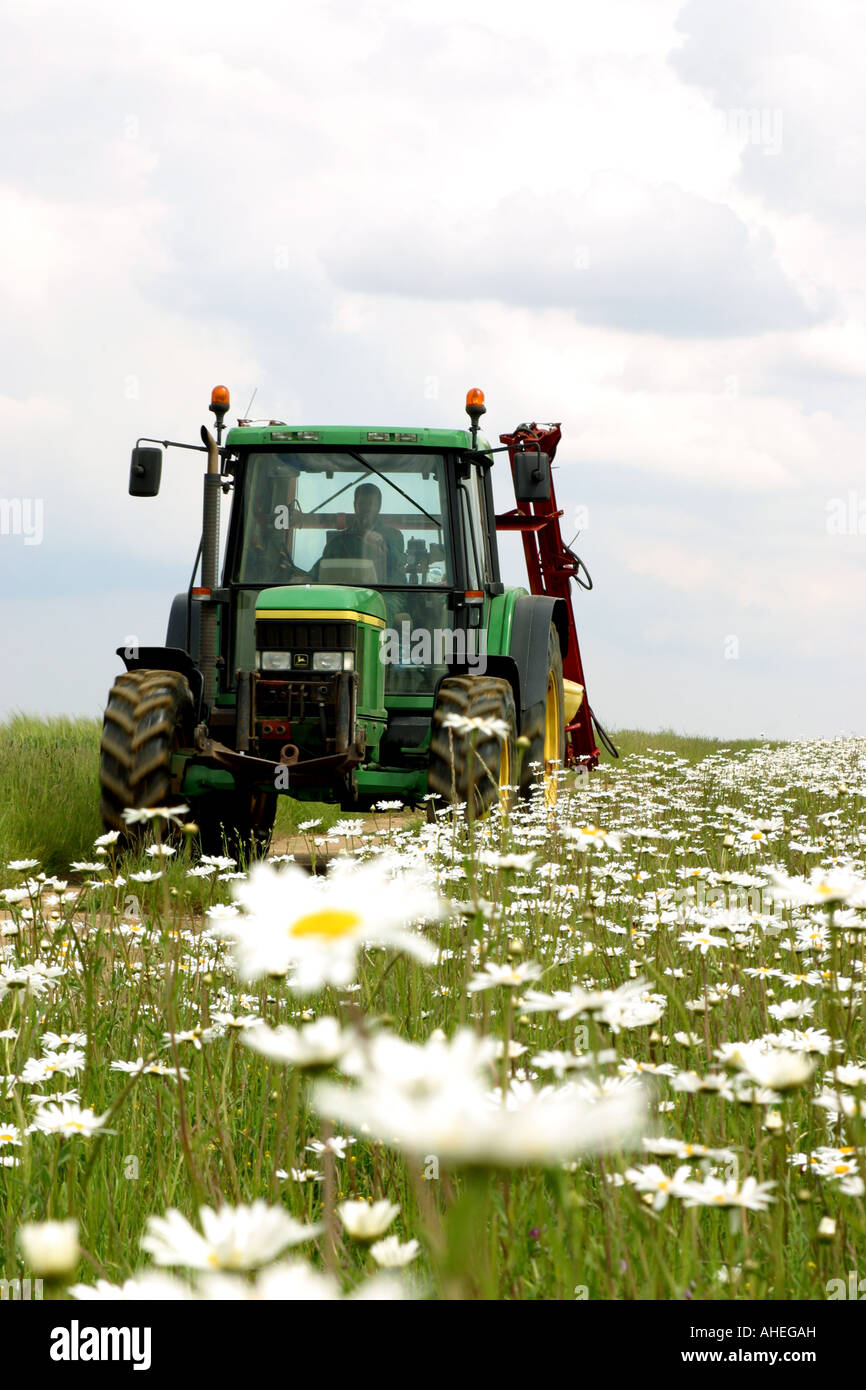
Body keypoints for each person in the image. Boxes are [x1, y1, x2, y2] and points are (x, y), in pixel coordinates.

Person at [316, 481, 404, 582]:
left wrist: (381, 544)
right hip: (349, 591)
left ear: (378, 506)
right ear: (355, 505)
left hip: (387, 591)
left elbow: (397, 563)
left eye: (370, 504)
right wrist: (308, 577)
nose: (366, 508)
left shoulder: (393, 536)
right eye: (362, 504)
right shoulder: (340, 540)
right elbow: (324, 564)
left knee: (390, 599)